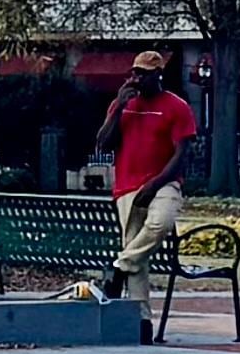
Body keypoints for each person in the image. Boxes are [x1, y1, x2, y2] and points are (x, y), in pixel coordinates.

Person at [84, 49, 200, 306]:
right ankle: (141, 320)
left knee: (161, 222)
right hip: (127, 185)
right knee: (136, 250)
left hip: (163, 183)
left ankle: (119, 267)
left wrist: (155, 184)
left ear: (158, 75)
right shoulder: (122, 104)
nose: (136, 79)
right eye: (134, 73)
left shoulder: (176, 107)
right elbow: (103, 144)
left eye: (143, 74)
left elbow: (182, 155)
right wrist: (119, 108)